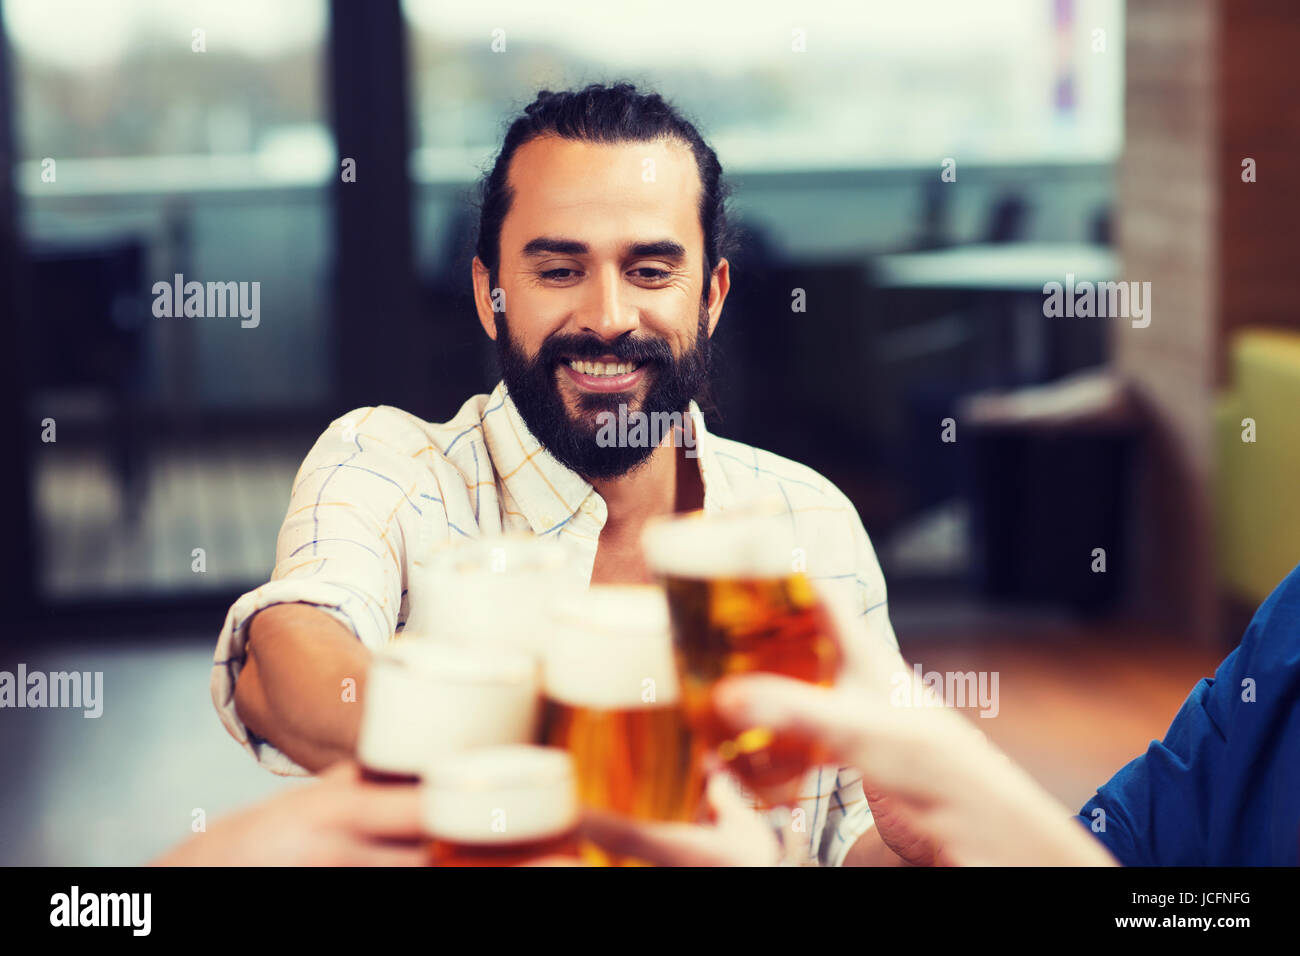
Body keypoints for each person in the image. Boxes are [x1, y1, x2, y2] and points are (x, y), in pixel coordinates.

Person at [211, 83, 899, 867]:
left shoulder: (808, 519)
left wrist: (925, 839)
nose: (608, 317)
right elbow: (282, 664)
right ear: (488, 295)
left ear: (710, 298)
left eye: (648, 272)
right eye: (561, 270)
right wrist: (559, 746)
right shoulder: (390, 466)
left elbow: (854, 839)